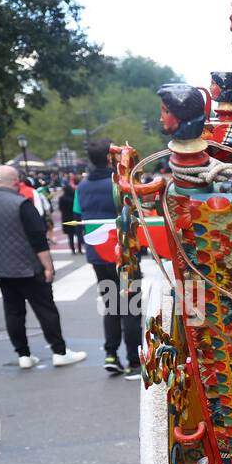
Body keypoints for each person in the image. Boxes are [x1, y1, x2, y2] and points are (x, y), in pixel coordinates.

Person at [0, 165, 85, 369]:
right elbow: (38, 239)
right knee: (45, 310)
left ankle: (23, 354)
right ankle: (59, 351)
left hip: (0, 268)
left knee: (13, 311)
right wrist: (48, 266)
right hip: (28, 266)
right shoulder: (21, 204)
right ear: (16, 181)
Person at [78, 139, 140, 377]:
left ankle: (111, 354)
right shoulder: (120, 184)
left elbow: (79, 214)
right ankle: (134, 359)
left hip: (97, 253)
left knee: (111, 304)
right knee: (130, 305)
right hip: (122, 251)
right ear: (108, 157)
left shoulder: (81, 186)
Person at [58, 176, 81, 254]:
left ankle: (72, 249)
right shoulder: (73, 197)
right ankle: (80, 249)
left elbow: (60, 208)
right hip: (74, 216)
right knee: (78, 234)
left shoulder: (61, 198)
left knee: (70, 236)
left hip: (66, 217)